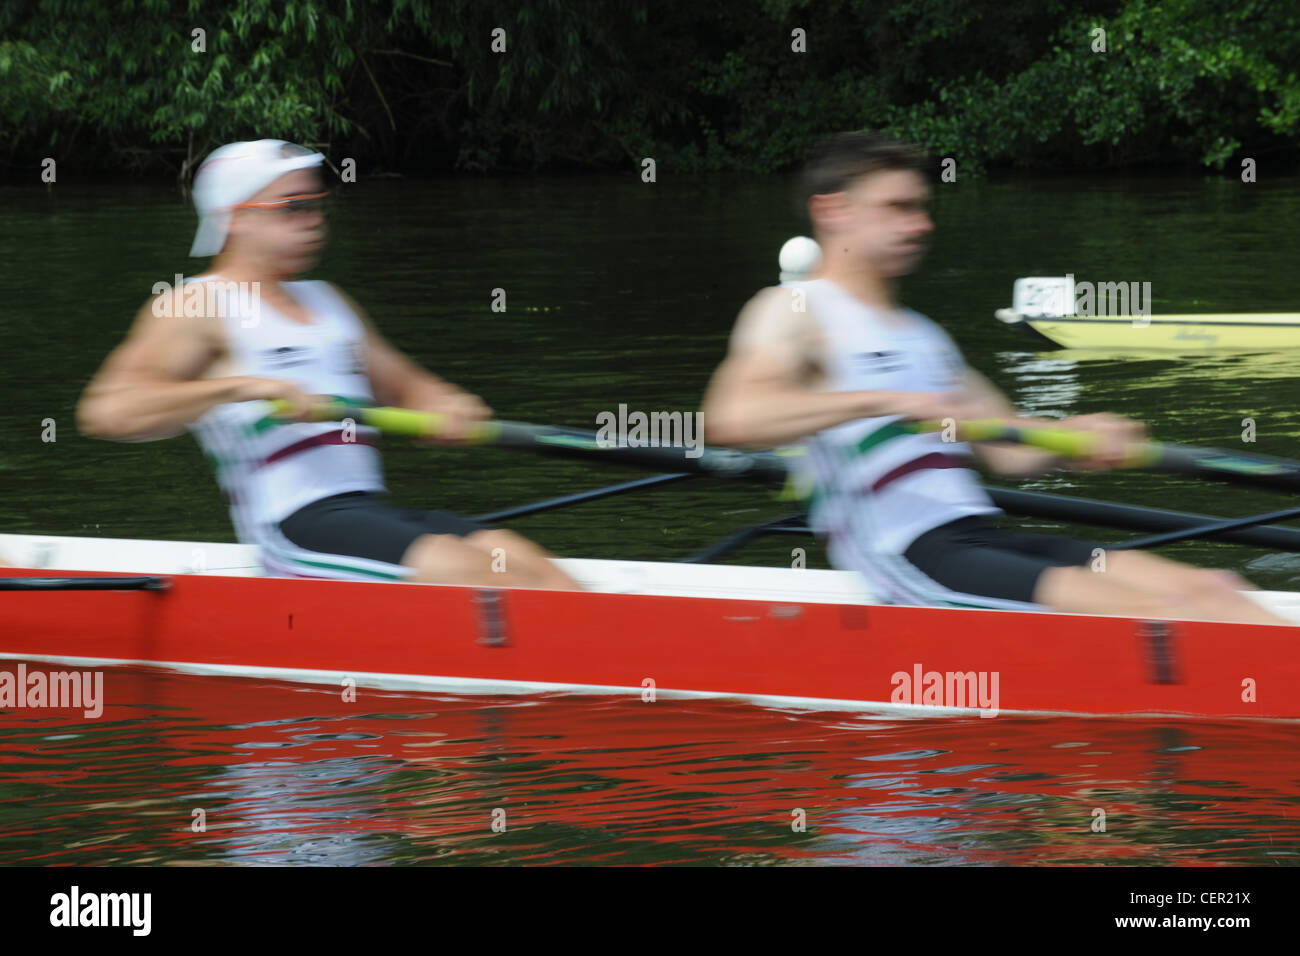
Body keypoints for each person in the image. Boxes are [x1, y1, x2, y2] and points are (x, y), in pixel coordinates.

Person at [701, 130, 1287, 625]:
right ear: (833, 211)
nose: (921, 224)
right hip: (909, 557)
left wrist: (1079, 436)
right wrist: (886, 399)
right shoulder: (796, 310)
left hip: (986, 538)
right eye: (898, 207)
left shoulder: (925, 336)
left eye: (922, 207)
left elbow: (1010, 453)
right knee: (1168, 616)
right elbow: (732, 418)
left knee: (1216, 593)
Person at [78, 139, 578, 589]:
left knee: (531, 564)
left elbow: (409, 389)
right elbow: (107, 411)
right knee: (460, 568)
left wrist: (448, 405)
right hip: (292, 532)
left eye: (317, 205)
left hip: (369, 515)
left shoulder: (330, 303)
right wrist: (243, 387)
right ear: (236, 218)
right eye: (292, 207)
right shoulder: (196, 305)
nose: (314, 220)